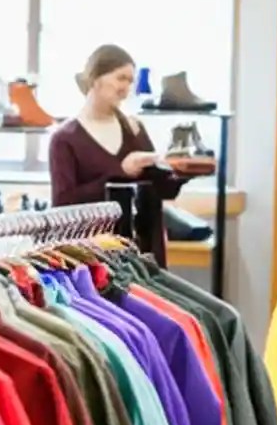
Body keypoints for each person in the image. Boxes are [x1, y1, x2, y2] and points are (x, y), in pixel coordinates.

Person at [48, 44, 189, 267]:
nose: (126, 88)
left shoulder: (135, 130)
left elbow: (160, 191)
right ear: (95, 78)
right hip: (94, 260)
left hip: (143, 255)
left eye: (130, 81)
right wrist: (120, 173)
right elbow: (64, 204)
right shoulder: (65, 139)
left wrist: (181, 172)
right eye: (121, 78)